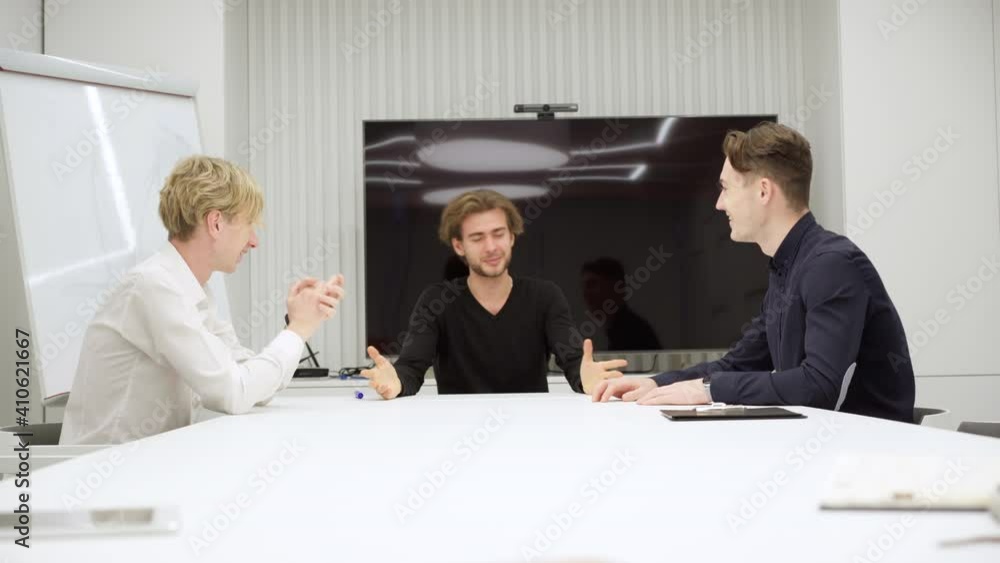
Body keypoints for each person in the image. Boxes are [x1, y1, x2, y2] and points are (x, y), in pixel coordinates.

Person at [592, 122, 916, 422]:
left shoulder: (831, 265)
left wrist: (707, 390)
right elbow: (738, 363)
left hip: (868, 457)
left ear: (763, 191)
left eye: (726, 188)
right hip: (827, 444)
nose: (719, 204)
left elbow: (818, 386)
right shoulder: (787, 268)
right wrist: (654, 382)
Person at [60, 156, 345, 444]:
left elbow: (257, 388)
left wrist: (299, 322)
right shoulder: (153, 288)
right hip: (105, 473)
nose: (254, 241)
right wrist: (298, 330)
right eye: (249, 225)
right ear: (216, 223)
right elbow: (235, 392)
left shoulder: (194, 290)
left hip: (145, 466)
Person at [361, 189, 625, 398]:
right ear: (459, 245)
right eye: (477, 238)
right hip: (454, 433)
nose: (490, 247)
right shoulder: (436, 301)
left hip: (531, 432)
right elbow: (411, 368)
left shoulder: (544, 296)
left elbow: (574, 362)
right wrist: (395, 383)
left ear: (511, 237)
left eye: (498, 234)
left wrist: (588, 380)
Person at [581, 257, 662, 351]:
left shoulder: (632, 333)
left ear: (615, 287)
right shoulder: (620, 330)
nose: (586, 294)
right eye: (584, 286)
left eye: (592, 284)